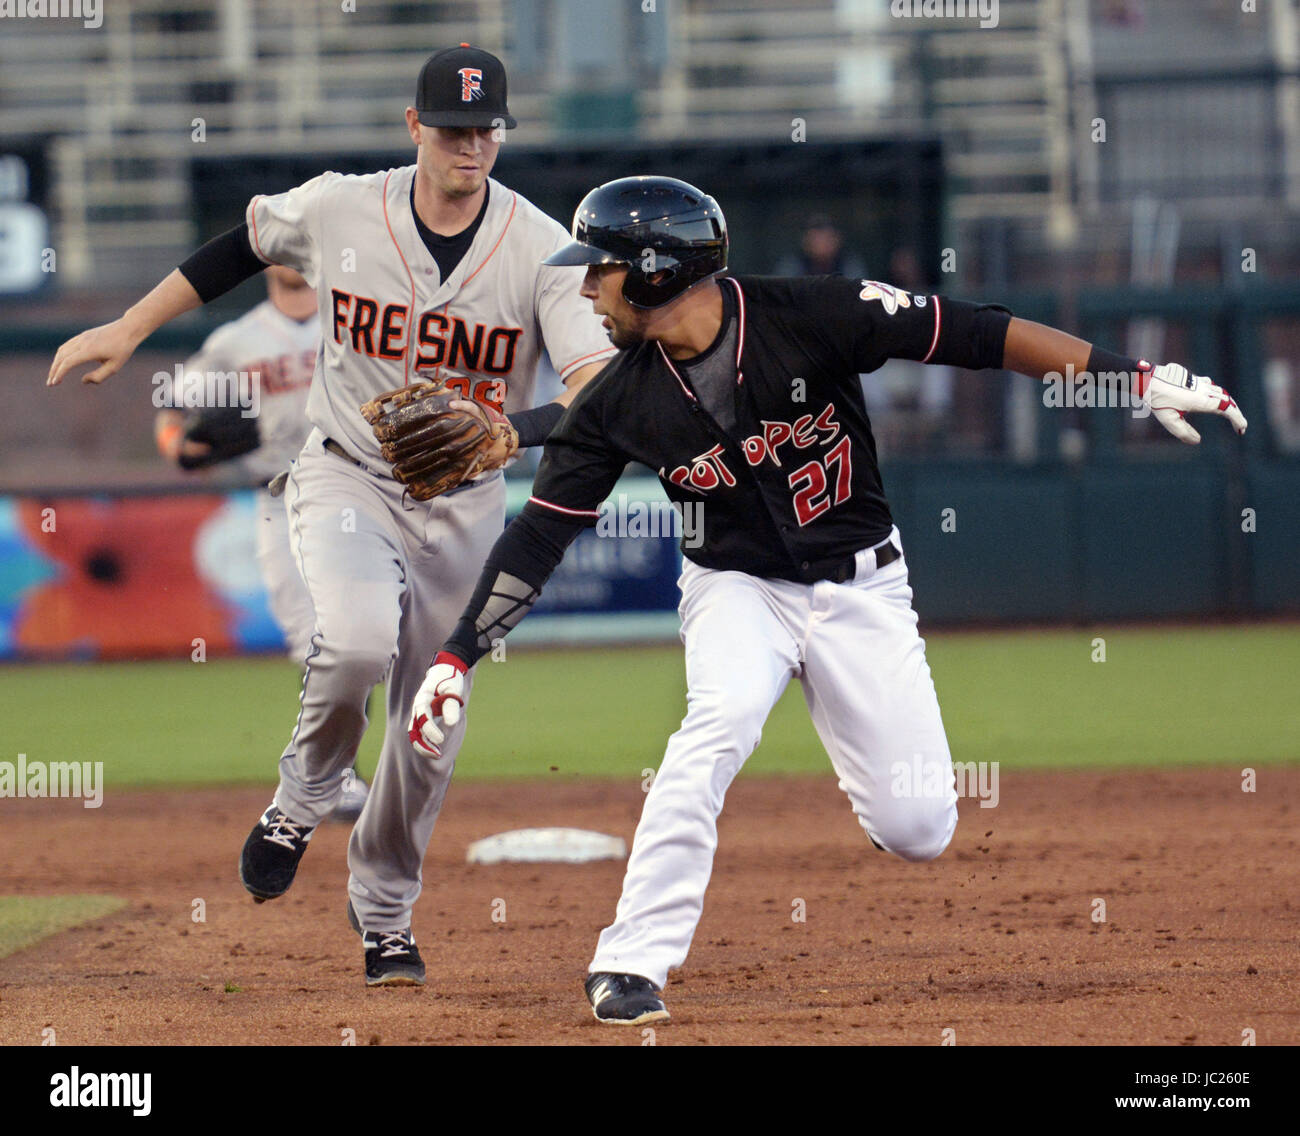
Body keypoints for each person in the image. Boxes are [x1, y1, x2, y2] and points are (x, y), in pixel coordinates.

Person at [405, 176, 1248, 1024]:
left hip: (863, 585)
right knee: (718, 723)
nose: (587, 287)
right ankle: (629, 963)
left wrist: (1127, 380)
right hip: (736, 587)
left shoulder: (814, 312)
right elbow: (539, 539)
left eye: (604, 269)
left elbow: (979, 334)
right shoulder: (618, 400)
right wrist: (457, 656)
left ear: (658, 271)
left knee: (921, 828)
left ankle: (873, 777)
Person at [47, 45, 615, 987]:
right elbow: (241, 245)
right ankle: (303, 794)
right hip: (346, 471)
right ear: (413, 127)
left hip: (465, 502)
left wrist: (513, 431)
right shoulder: (344, 206)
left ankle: (384, 914)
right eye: (452, 128)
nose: (470, 145)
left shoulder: (540, 246)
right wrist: (128, 329)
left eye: (486, 129)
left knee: (430, 720)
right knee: (351, 643)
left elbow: (597, 388)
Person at [153, 265, 369, 822]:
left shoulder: (355, 320)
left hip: (363, 493)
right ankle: (336, 773)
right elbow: (173, 413)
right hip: (280, 497)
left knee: (366, 635)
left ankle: (356, 768)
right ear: (267, 259)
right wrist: (179, 448)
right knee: (311, 637)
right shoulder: (236, 342)